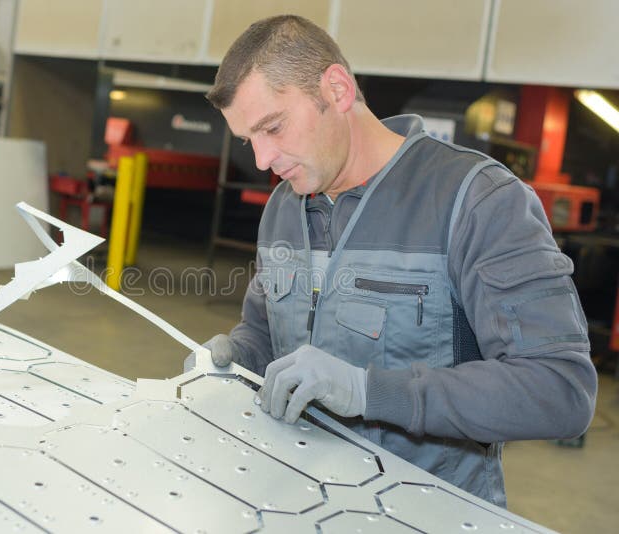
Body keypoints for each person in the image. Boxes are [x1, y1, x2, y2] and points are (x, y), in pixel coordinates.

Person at [192, 15, 597, 507]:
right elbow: (265, 332)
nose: (261, 160)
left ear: (337, 89)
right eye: (247, 140)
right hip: (303, 500)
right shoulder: (285, 207)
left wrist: (369, 391)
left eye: (272, 127)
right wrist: (237, 359)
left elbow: (560, 390)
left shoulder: (475, 200)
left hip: (426, 511)